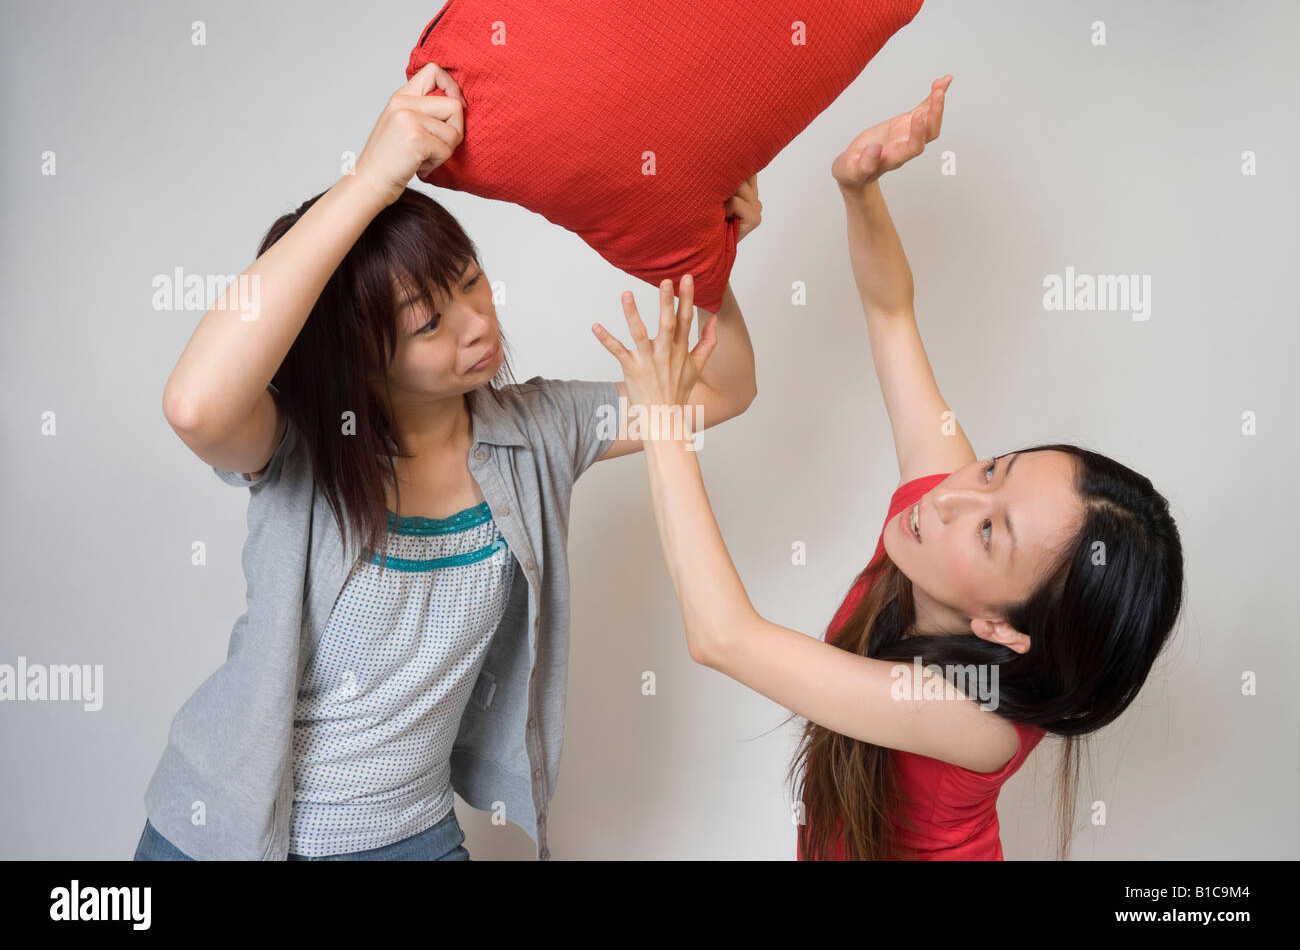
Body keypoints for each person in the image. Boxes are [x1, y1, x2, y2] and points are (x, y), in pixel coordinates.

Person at [135, 61, 760, 860]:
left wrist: (714, 257)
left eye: (472, 282)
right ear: (360, 358)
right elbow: (194, 404)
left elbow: (727, 388)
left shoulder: (536, 429)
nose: (476, 324)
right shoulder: (302, 448)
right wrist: (365, 184)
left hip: (411, 839)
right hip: (216, 837)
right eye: (430, 322)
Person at [591, 75, 1185, 860]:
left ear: (1001, 629)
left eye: (989, 531)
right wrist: (858, 187)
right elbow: (891, 312)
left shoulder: (968, 716)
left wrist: (667, 422)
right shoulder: (945, 506)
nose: (954, 492)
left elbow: (723, 636)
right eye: (995, 469)